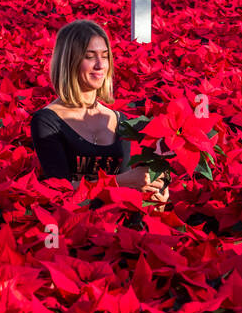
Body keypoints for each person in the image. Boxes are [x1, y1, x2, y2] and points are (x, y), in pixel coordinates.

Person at [30, 20, 169, 206]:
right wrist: (121, 182)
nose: (100, 65)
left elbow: (129, 187)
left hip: (117, 226)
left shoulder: (120, 120)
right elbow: (59, 190)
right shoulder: (47, 121)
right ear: (69, 62)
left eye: (105, 56)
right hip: (75, 227)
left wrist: (154, 196)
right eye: (89, 56)